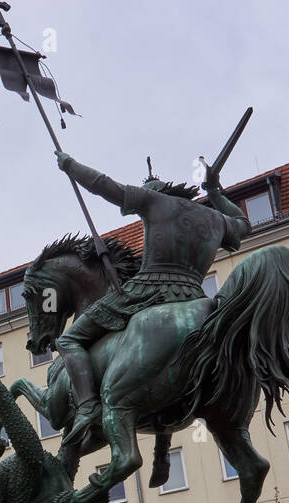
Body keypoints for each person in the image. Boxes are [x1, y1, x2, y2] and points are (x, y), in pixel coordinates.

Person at [52, 149, 251, 447]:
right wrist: (214, 190)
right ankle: (162, 444)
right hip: (194, 296)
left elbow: (106, 185)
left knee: (69, 340)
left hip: (149, 291)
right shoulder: (214, 218)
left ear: (152, 193)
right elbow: (243, 224)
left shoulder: (154, 201)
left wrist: (71, 166)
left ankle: (87, 406)